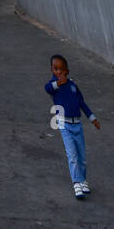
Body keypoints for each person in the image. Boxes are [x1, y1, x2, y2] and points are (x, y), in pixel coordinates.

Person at [44, 54, 101, 198]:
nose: (59, 72)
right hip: (64, 124)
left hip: (77, 124)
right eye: (56, 69)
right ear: (52, 70)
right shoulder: (54, 86)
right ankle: (76, 183)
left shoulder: (73, 85)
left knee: (81, 155)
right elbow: (48, 88)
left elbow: (82, 103)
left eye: (61, 70)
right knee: (72, 155)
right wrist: (58, 83)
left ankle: (83, 180)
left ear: (67, 71)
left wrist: (92, 118)